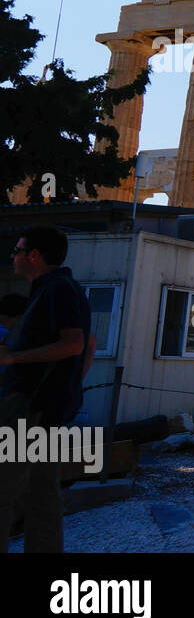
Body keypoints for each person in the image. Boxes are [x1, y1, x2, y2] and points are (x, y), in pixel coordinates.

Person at [0, 225, 93, 553]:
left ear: (34, 256)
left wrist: (15, 358)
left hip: (31, 409)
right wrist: (69, 387)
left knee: (5, 491)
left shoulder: (57, 289)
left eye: (18, 250)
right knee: (42, 495)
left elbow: (75, 343)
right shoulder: (59, 288)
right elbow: (88, 344)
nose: (13, 256)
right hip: (49, 408)